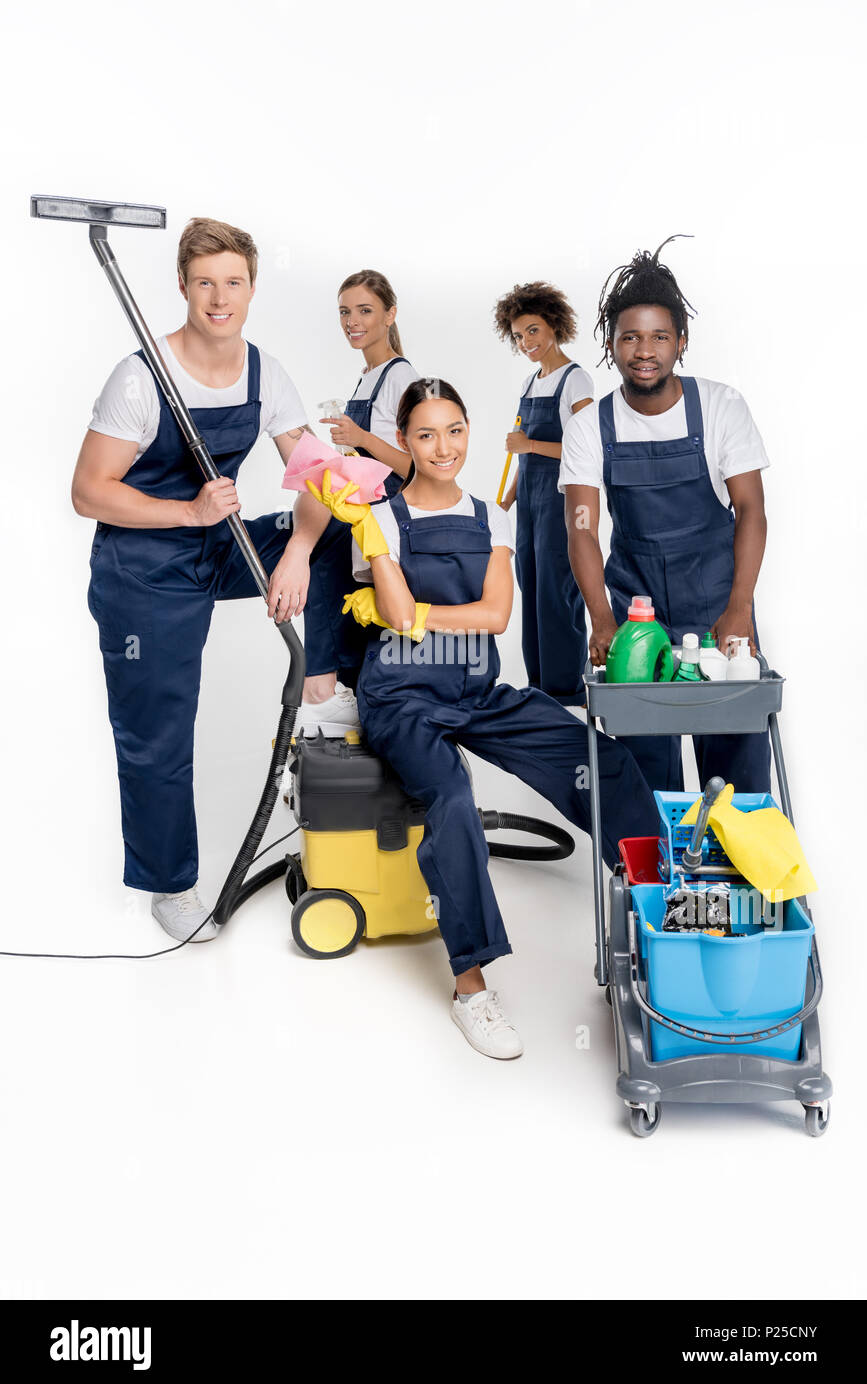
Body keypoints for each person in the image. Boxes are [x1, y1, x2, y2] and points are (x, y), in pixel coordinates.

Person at [309, 379, 657, 1059]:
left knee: (600, 759)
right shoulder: (375, 516)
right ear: (403, 443)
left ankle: (653, 908)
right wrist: (381, 559)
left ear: (469, 431)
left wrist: (415, 616)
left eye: (455, 430)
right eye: (425, 434)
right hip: (401, 697)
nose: (443, 447)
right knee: (452, 799)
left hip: (476, 688)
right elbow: (398, 619)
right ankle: (471, 988)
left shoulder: (487, 514)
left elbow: (490, 616)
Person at [73, 216, 336, 943]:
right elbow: (90, 491)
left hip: (217, 546)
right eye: (204, 284)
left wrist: (296, 553)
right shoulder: (140, 376)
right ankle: (169, 885)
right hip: (143, 572)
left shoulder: (264, 372)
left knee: (345, 524)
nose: (219, 298)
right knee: (157, 731)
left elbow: (322, 477)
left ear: (252, 286)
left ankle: (333, 680)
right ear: (182, 287)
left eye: (233, 282)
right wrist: (187, 510)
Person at [560, 238, 772, 795]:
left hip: (717, 605)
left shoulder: (721, 407)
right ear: (612, 345)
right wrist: (603, 620)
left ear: (681, 341)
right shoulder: (591, 426)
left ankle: (741, 877)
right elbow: (581, 529)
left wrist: (738, 609)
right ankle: (653, 879)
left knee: (736, 770)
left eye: (659, 336)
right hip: (637, 617)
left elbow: (751, 511)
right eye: (630, 337)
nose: (645, 350)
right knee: (644, 768)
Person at [295, 271, 419, 734]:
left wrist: (359, 437)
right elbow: (365, 454)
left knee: (331, 569)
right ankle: (340, 696)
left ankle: (324, 688)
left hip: (385, 513)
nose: (352, 320)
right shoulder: (366, 376)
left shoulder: (400, 375)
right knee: (348, 604)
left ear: (389, 315)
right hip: (359, 504)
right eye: (345, 311)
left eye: (365, 310)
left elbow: (415, 464)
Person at [493, 282, 593, 704]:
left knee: (557, 587)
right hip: (529, 504)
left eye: (532, 331)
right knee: (529, 583)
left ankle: (567, 688)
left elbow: (587, 447)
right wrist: (504, 504)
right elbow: (523, 461)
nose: (526, 343)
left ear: (554, 324)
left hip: (561, 500)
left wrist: (529, 445)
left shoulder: (576, 378)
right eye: (518, 336)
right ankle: (540, 688)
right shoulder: (531, 382)